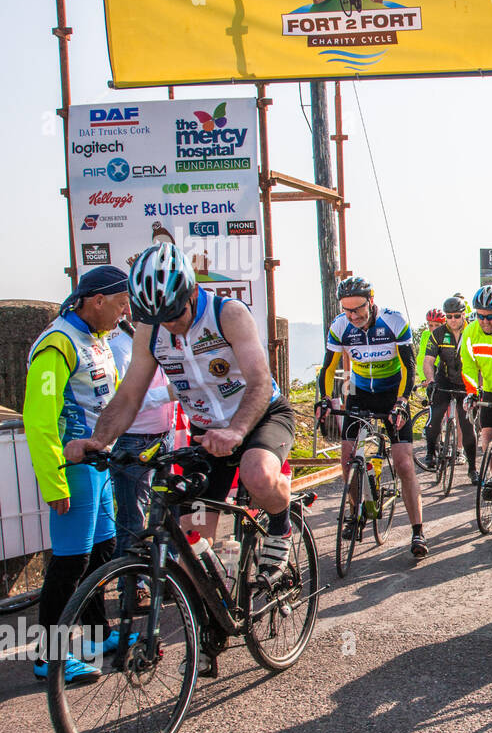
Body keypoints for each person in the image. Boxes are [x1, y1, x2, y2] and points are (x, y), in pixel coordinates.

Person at [71, 245, 299, 587]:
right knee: (191, 543)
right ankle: (215, 617)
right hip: (206, 431)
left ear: (192, 290)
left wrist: (237, 432)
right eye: (160, 317)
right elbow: (130, 394)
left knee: (258, 474)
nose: (171, 324)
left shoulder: (228, 314)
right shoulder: (151, 331)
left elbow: (260, 381)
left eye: (176, 312)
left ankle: (281, 524)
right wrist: (98, 440)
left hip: (260, 416)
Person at [24, 266, 129, 682]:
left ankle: (98, 635)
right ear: (97, 300)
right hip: (73, 470)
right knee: (69, 562)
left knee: (102, 552)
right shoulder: (58, 343)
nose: (124, 314)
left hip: (100, 466)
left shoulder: (97, 338)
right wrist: (53, 481)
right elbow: (39, 420)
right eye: (120, 305)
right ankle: (47, 655)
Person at [316, 276, 426, 557]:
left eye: (358, 310)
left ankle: (418, 531)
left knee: (403, 463)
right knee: (347, 457)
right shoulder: (340, 327)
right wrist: (325, 399)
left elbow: (408, 367)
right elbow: (328, 369)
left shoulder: (393, 322)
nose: (352, 316)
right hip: (361, 393)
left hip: (393, 393)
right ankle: (356, 513)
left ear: (371, 302)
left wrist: (402, 402)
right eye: (346, 310)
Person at [107, 312, 176, 561]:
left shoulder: (163, 344)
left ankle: (167, 575)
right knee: (133, 518)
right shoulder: (120, 351)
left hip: (164, 437)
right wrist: (168, 393)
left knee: (168, 511)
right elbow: (119, 402)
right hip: (134, 439)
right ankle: (133, 587)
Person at [423, 295, 477, 478]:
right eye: (449, 316)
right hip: (444, 379)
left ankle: (472, 469)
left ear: (463, 315)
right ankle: (430, 454)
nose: (452, 320)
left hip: (465, 381)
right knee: (435, 416)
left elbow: (481, 363)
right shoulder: (438, 333)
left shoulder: (473, 331)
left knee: (467, 425)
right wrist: (430, 380)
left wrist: (479, 387)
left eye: (456, 316)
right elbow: (428, 361)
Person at [461, 285, 492, 486]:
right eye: (479, 316)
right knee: (488, 436)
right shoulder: (471, 332)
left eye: (489, 316)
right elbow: (468, 366)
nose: (484, 321)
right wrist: (472, 392)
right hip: (489, 389)